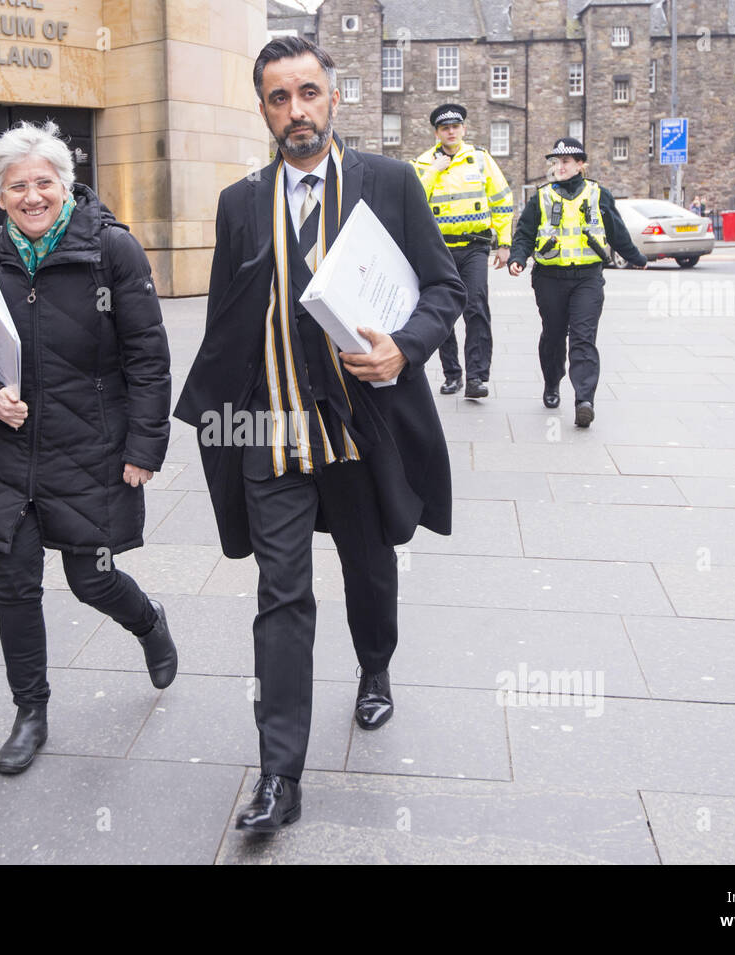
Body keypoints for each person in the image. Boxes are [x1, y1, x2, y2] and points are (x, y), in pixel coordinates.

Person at [174, 37, 464, 831]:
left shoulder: (391, 184)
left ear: (334, 98)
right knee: (281, 595)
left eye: (308, 93)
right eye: (278, 97)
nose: (295, 111)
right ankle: (279, 775)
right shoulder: (241, 203)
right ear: (263, 109)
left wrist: (406, 348)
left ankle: (376, 666)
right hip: (271, 432)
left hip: (359, 430)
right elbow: (226, 323)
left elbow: (442, 287)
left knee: (370, 570)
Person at [0, 120, 176, 776]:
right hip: (11, 450)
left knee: (90, 576)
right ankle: (30, 711)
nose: (32, 195)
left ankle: (149, 621)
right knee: (12, 581)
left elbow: (149, 356)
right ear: (0, 193)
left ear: (64, 186)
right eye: (18, 186)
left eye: (44, 182)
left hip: (91, 446)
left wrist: (144, 445)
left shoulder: (112, 251)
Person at [507, 136, 646, 428]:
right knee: (554, 335)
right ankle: (552, 383)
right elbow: (525, 233)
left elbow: (617, 231)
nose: (559, 167)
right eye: (555, 162)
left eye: (565, 161)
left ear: (580, 164)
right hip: (549, 279)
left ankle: (584, 399)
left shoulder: (598, 194)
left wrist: (636, 257)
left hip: (587, 278)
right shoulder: (541, 197)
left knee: (583, 338)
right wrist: (517, 257)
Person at [411, 103, 513, 398]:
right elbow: (415, 200)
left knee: (476, 308)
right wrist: (434, 171)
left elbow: (502, 201)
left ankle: (477, 378)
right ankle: (452, 374)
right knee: (443, 313)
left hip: (475, 247)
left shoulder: (480, 159)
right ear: (437, 133)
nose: (451, 131)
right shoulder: (424, 163)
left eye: (455, 126)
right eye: (445, 128)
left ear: (463, 129)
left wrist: (504, 243)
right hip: (439, 250)